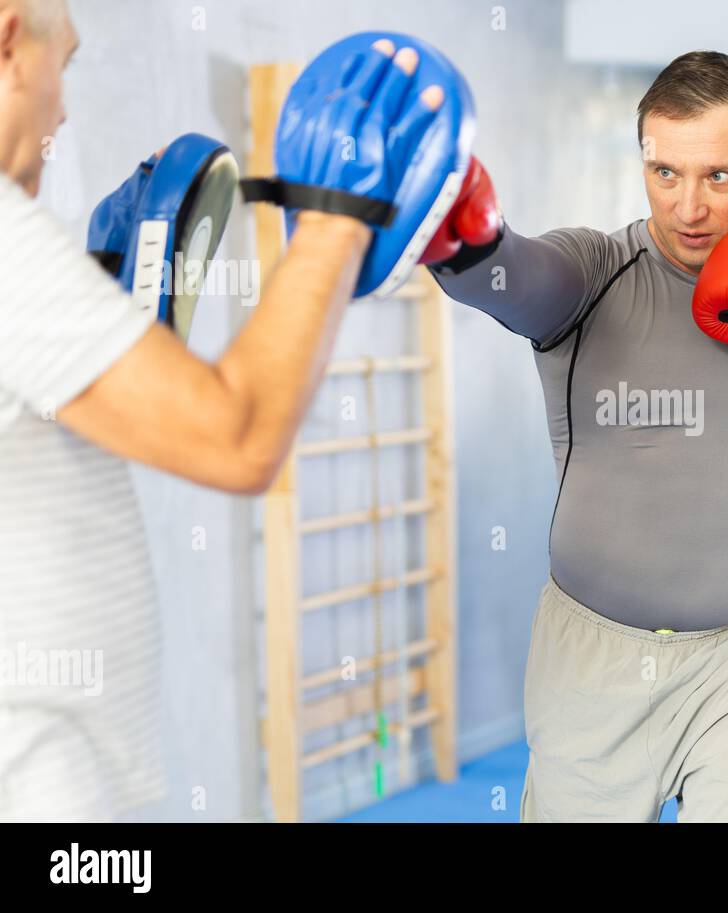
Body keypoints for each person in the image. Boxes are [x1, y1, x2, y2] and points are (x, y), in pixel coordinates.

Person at [426, 50, 728, 821]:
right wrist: (463, 240)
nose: (688, 207)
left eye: (719, 175)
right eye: (665, 172)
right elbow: (517, 277)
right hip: (594, 662)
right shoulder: (592, 273)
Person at [0, 2, 443, 820]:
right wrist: (337, 217)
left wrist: (114, 309)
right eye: (63, 61)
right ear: (8, 43)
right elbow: (237, 437)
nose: (62, 105)